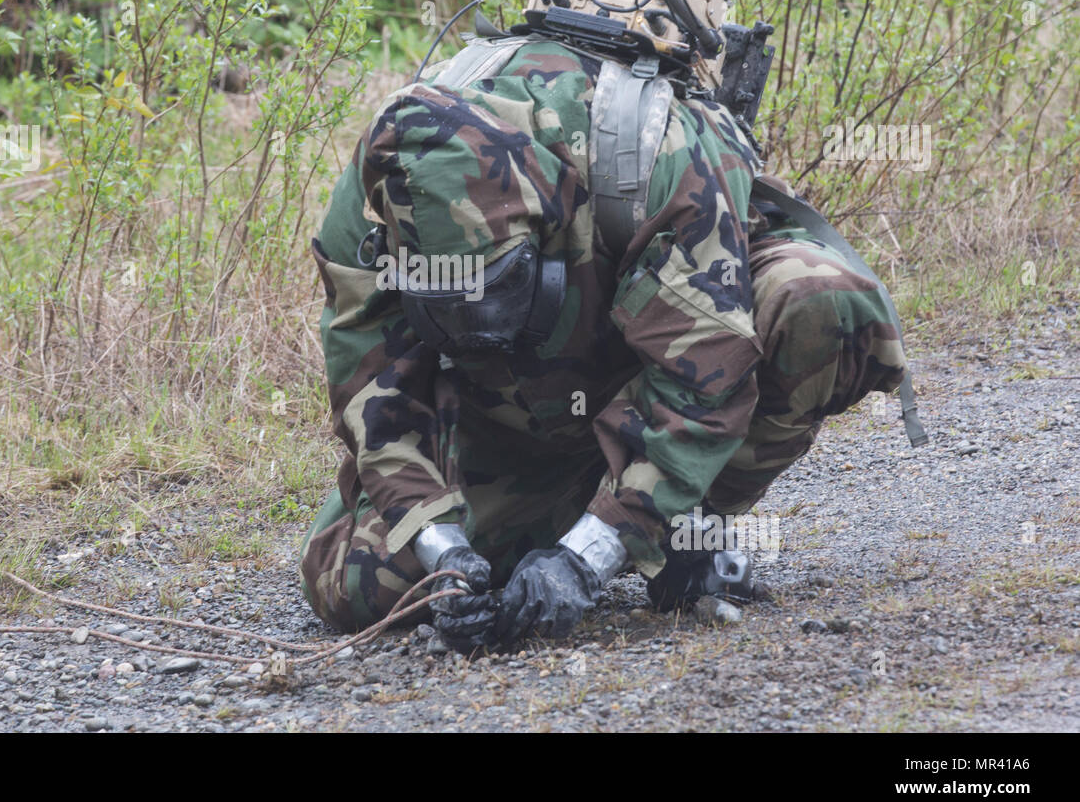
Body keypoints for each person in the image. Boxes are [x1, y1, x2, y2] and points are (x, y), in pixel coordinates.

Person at [297, 36, 908, 651]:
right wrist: (442, 548)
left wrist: (586, 557)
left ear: (543, 218)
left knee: (823, 304)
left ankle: (680, 529)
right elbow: (374, 394)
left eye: (497, 290)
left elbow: (705, 381)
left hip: (655, 370)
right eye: (449, 305)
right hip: (510, 414)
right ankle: (586, 518)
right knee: (353, 586)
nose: (475, 321)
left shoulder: (654, 154)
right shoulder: (381, 192)